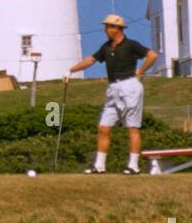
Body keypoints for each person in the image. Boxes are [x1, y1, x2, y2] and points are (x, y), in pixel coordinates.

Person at [68, 15, 159, 174]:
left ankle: (133, 166)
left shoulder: (131, 45)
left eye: (108, 27)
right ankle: (99, 166)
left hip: (130, 86)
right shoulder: (107, 47)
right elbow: (90, 60)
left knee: (132, 127)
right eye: (106, 27)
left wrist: (141, 71)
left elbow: (152, 55)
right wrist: (70, 71)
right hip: (113, 88)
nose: (105, 30)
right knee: (103, 127)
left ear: (117, 29)